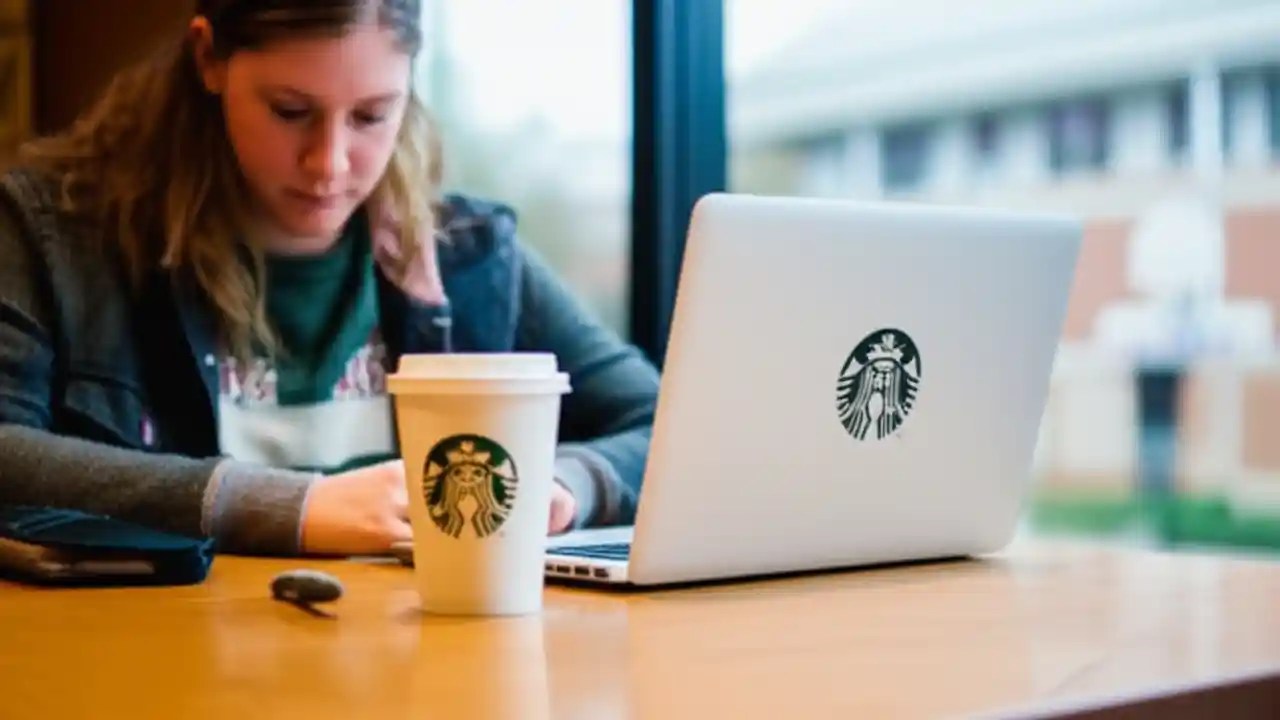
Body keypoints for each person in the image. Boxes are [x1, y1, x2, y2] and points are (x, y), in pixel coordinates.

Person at [0, 0, 659, 557]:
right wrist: (290, 506)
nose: (330, 164)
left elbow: (661, 420)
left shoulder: (467, 254)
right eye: (290, 111)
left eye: (372, 116)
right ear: (209, 59)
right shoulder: (55, 235)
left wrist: (563, 484)